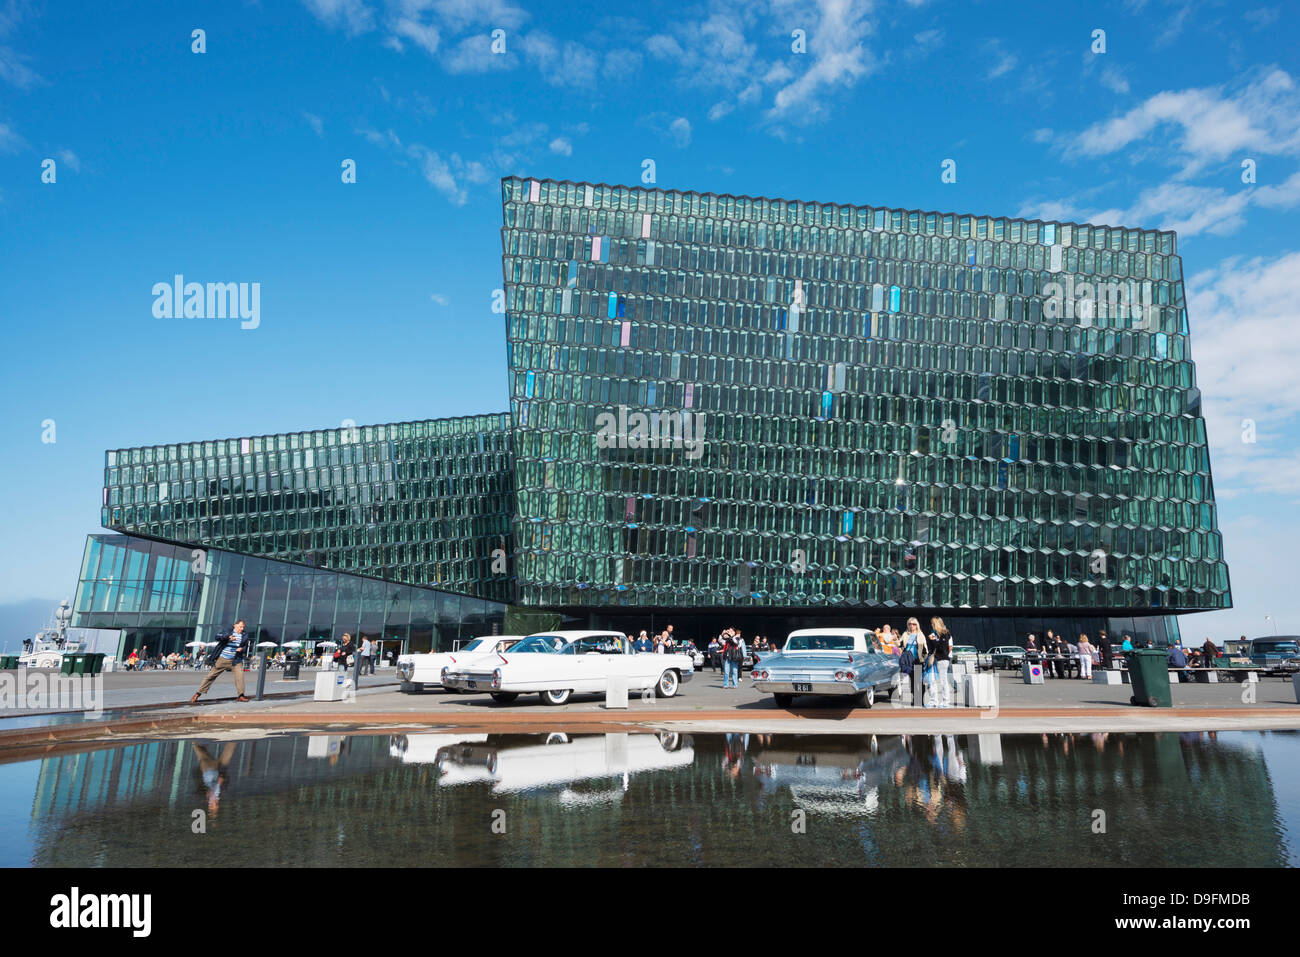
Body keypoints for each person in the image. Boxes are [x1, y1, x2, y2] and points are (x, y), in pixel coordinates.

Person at [190, 620, 253, 704]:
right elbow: (218, 636)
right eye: (240, 626)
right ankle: (198, 694)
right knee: (211, 676)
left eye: (243, 627)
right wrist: (228, 637)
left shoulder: (244, 635)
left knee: (240, 676)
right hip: (222, 659)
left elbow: (245, 646)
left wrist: (242, 649)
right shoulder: (228, 631)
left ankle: (241, 695)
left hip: (235, 660)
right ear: (235, 625)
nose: (242, 629)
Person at [927, 617, 953, 708]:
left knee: (943, 681)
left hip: (942, 659)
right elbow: (932, 647)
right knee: (932, 680)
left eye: (933, 623)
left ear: (937, 624)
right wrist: (932, 640)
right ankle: (934, 701)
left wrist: (933, 640)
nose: (931, 625)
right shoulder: (935, 634)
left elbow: (942, 648)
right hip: (935, 659)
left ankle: (946, 701)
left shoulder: (945, 633)